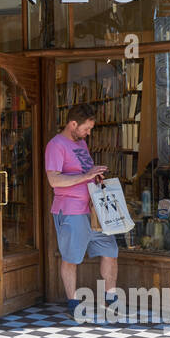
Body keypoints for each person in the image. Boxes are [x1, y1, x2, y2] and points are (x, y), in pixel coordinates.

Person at [44, 103, 118, 320]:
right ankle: (74, 302)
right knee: (71, 257)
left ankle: (111, 298)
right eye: (86, 128)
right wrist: (86, 177)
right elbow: (54, 179)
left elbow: (84, 171)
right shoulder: (56, 145)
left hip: (93, 209)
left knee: (111, 250)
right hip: (70, 210)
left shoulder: (81, 143)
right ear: (73, 124)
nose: (88, 133)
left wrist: (94, 175)